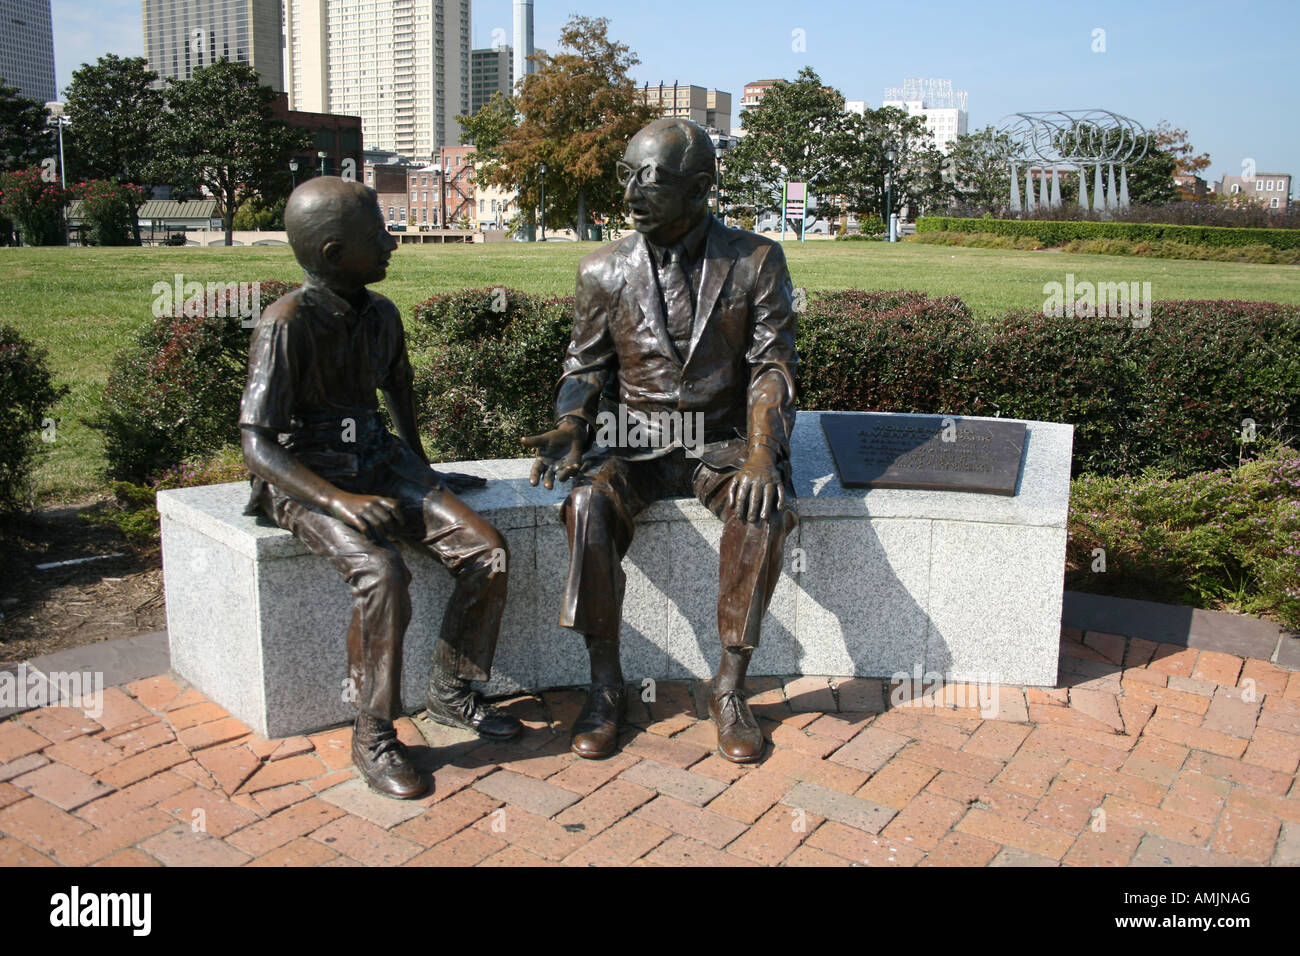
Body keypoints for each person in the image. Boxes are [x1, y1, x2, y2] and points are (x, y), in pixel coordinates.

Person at [523, 118, 798, 764]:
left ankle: (728, 688)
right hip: (634, 440)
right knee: (585, 507)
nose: (633, 194)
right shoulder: (602, 269)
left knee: (764, 512)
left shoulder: (755, 261)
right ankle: (606, 686)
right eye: (627, 177)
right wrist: (572, 424)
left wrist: (762, 451)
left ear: (701, 188)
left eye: (652, 181)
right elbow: (584, 367)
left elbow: (771, 368)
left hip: (720, 441)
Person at [240, 177, 521, 799]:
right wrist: (341, 502)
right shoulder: (285, 323)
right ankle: (373, 733)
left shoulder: (382, 314)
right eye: (379, 236)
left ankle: (452, 692)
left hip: (378, 460)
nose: (393, 243)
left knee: (488, 550)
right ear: (335, 253)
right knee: (382, 572)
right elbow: (257, 445)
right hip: (307, 476)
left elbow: (397, 389)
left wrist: (422, 473)